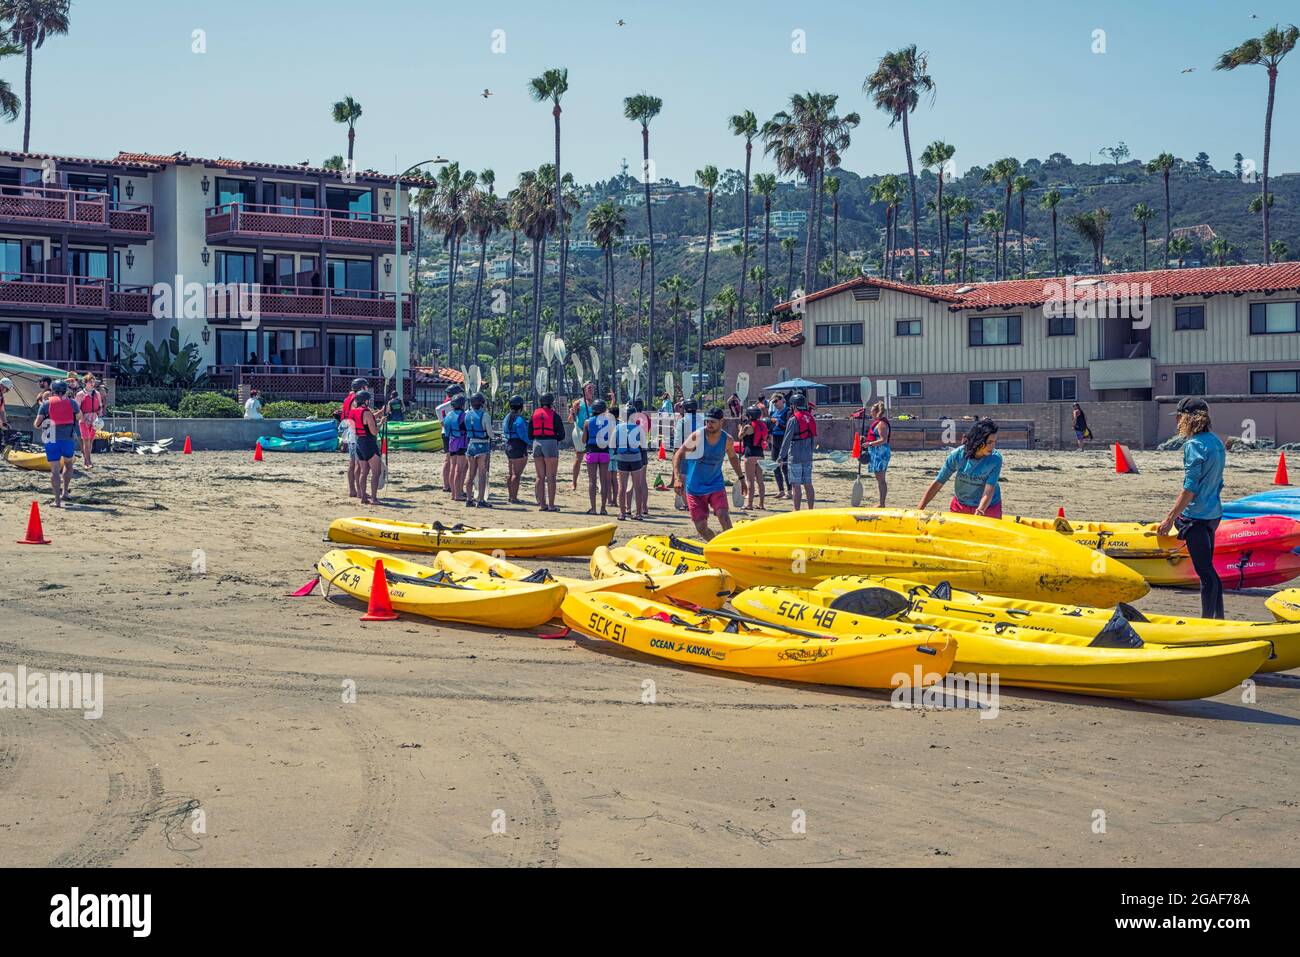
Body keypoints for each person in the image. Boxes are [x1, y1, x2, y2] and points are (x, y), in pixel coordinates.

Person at [1156, 397, 1226, 619]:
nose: (1177, 421)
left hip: (1196, 516)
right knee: (1209, 570)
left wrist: (1169, 519)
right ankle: (1219, 618)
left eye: (1179, 416)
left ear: (1187, 418)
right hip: (1214, 514)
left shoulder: (1194, 445)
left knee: (1205, 572)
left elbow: (1189, 488)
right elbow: (1218, 482)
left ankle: (1208, 622)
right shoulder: (1216, 442)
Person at [673, 407, 746, 540]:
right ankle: (715, 546)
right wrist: (677, 478)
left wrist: (741, 478)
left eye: (713, 421)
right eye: (707, 421)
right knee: (701, 527)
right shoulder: (697, 436)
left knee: (723, 516)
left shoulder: (727, 440)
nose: (709, 424)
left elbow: (733, 458)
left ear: (721, 421)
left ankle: (731, 548)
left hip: (715, 485)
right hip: (695, 488)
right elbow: (678, 454)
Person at [919, 419, 1003, 518]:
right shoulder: (957, 455)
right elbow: (938, 482)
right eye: (989, 442)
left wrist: (980, 510)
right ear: (978, 440)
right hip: (961, 505)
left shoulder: (995, 459)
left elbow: (989, 490)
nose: (993, 446)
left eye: (994, 442)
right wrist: (920, 509)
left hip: (989, 507)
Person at [33, 380, 80, 508]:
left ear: (52, 390)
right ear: (66, 390)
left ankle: (57, 501)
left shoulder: (46, 404)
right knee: (69, 464)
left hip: (51, 437)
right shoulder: (73, 403)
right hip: (67, 438)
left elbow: (37, 424)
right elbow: (79, 417)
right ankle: (65, 491)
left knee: (54, 470)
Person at [777, 393, 817, 510]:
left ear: (793, 406)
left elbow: (787, 439)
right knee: (808, 484)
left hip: (795, 457)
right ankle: (810, 509)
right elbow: (812, 439)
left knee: (795, 485)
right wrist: (810, 454)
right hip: (808, 457)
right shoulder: (810, 417)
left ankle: (797, 510)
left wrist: (781, 457)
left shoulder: (793, 419)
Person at [613, 400, 649, 521]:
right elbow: (644, 446)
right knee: (637, 486)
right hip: (636, 459)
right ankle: (638, 513)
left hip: (622, 458)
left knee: (622, 487)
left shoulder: (618, 427)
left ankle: (622, 513)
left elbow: (612, 444)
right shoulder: (639, 429)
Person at [348, 390, 384, 506]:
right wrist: (381, 422)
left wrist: (380, 413)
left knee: (364, 472)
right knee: (376, 472)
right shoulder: (367, 412)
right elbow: (374, 432)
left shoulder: (353, 412)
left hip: (359, 443)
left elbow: (361, 422)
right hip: (369, 443)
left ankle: (363, 496)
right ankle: (374, 498)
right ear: (366, 401)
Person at [530, 392, 563, 511]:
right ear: (551, 403)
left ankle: (542, 504)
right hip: (550, 443)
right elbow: (562, 435)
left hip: (537, 443)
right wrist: (555, 439)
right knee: (551, 477)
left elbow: (530, 433)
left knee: (540, 476)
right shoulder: (555, 416)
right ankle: (551, 505)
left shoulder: (534, 414)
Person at [582, 399, 614, 515]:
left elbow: (584, 440)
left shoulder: (587, 422)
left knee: (592, 481)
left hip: (592, 451)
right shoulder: (609, 422)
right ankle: (603, 508)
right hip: (604, 452)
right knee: (604, 481)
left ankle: (593, 508)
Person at [463, 392, 494, 508]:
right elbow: (490, 433)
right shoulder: (485, 415)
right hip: (482, 446)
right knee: (482, 474)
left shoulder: (467, 414)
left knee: (470, 474)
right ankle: (481, 500)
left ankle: (469, 499)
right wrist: (494, 437)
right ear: (482, 403)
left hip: (471, 445)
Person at [341, 377, 369, 499]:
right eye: (366, 387)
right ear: (361, 388)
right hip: (355, 433)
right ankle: (359, 491)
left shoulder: (348, 398)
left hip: (348, 431)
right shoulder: (356, 400)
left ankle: (353, 490)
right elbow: (358, 416)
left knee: (352, 463)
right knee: (358, 464)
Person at [862, 400, 892, 507]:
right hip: (877, 452)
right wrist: (866, 440)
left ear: (876, 412)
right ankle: (881, 502)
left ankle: (882, 503)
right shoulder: (878, 423)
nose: (870, 414)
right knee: (879, 479)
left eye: (872, 412)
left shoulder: (882, 424)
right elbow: (876, 437)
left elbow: (883, 440)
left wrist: (869, 443)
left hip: (881, 453)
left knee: (881, 479)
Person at [502, 394, 531, 504]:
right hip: (518, 446)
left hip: (509, 445)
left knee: (511, 473)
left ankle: (511, 496)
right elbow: (523, 436)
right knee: (516, 474)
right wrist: (532, 442)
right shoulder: (519, 420)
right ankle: (514, 498)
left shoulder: (506, 418)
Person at [434, 384, 463, 493]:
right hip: (450, 433)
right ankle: (449, 485)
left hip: (447, 432)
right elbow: (438, 409)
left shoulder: (448, 401)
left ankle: (447, 485)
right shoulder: (452, 402)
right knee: (451, 460)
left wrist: (442, 422)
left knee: (448, 459)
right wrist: (441, 422)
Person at [739, 405, 768, 509]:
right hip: (760, 454)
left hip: (750, 454)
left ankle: (750, 504)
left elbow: (740, 436)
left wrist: (741, 427)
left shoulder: (748, 426)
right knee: (760, 480)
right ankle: (761, 504)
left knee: (750, 480)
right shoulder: (762, 424)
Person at [442, 392, 470, 502]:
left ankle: (453, 494)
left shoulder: (449, 415)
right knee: (459, 470)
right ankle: (458, 494)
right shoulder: (464, 416)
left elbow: (447, 432)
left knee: (452, 468)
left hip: (452, 443)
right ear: (462, 405)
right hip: (462, 443)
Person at [570, 382, 596, 491]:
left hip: (593, 435)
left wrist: (613, 402)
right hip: (581, 433)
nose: (591, 390)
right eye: (589, 388)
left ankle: (594, 483)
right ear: (584, 390)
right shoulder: (578, 403)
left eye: (592, 388)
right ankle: (574, 483)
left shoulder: (596, 403)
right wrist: (573, 411)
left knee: (594, 460)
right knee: (579, 458)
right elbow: (570, 420)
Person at [75, 374, 105, 468]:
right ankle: (87, 461)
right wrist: (82, 417)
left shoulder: (97, 393)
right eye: (90, 382)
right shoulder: (80, 394)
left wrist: (99, 414)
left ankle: (88, 460)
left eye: (93, 382)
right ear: (85, 383)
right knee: (86, 440)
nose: (92, 383)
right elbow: (77, 408)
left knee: (91, 441)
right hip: (84, 419)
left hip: (94, 419)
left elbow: (100, 406)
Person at [768, 392, 790, 499]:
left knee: (785, 465)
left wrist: (778, 422)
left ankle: (789, 491)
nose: (775, 403)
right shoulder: (774, 413)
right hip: (774, 439)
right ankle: (781, 490)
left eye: (776, 401)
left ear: (782, 400)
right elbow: (771, 427)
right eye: (773, 402)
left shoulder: (787, 411)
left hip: (783, 439)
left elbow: (787, 427)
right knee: (775, 465)